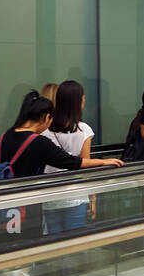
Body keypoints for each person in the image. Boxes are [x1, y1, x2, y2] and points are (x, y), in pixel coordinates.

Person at [44, 80, 123, 232]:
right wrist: (92, 198)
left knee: (53, 246)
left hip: (50, 196)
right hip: (75, 196)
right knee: (74, 245)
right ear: (79, 102)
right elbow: (85, 166)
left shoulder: (46, 131)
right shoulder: (83, 130)